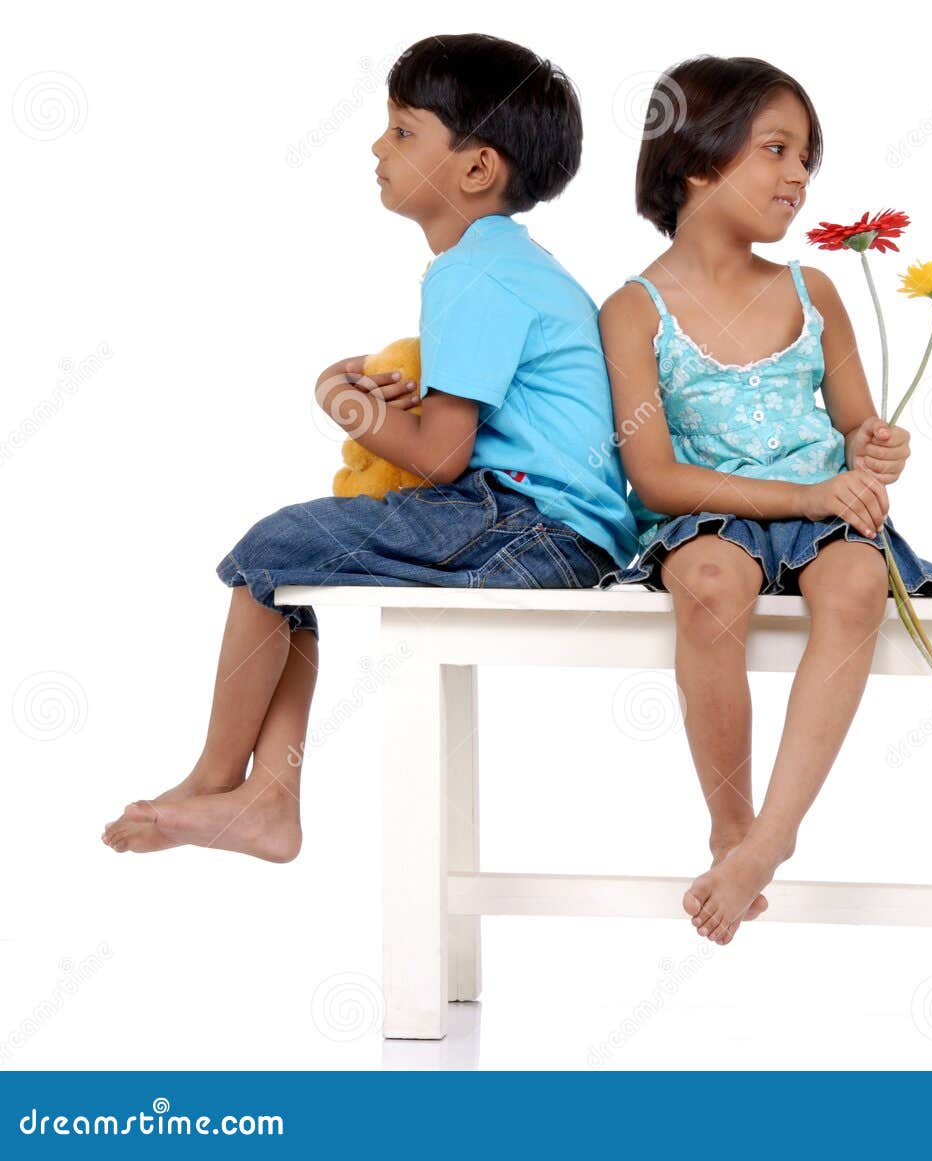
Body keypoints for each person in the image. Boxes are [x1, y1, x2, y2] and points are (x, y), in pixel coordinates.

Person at [102, 34, 637, 861]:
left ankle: (217, 781)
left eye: (402, 132)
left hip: (532, 527)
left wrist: (339, 397)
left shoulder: (474, 274)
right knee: (289, 565)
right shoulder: (506, 265)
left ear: (475, 168)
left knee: (271, 546)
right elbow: (462, 428)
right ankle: (267, 798)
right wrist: (387, 402)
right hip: (542, 522)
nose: (378, 148)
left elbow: (440, 456)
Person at [598, 55, 932, 944]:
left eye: (806, 157)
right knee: (706, 582)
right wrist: (804, 492)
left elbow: (857, 426)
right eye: (776, 149)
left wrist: (876, 445)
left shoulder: (813, 292)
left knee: (856, 587)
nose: (798, 176)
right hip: (714, 511)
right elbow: (654, 477)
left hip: (824, 516)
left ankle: (769, 840)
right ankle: (730, 824)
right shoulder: (633, 312)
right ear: (696, 158)